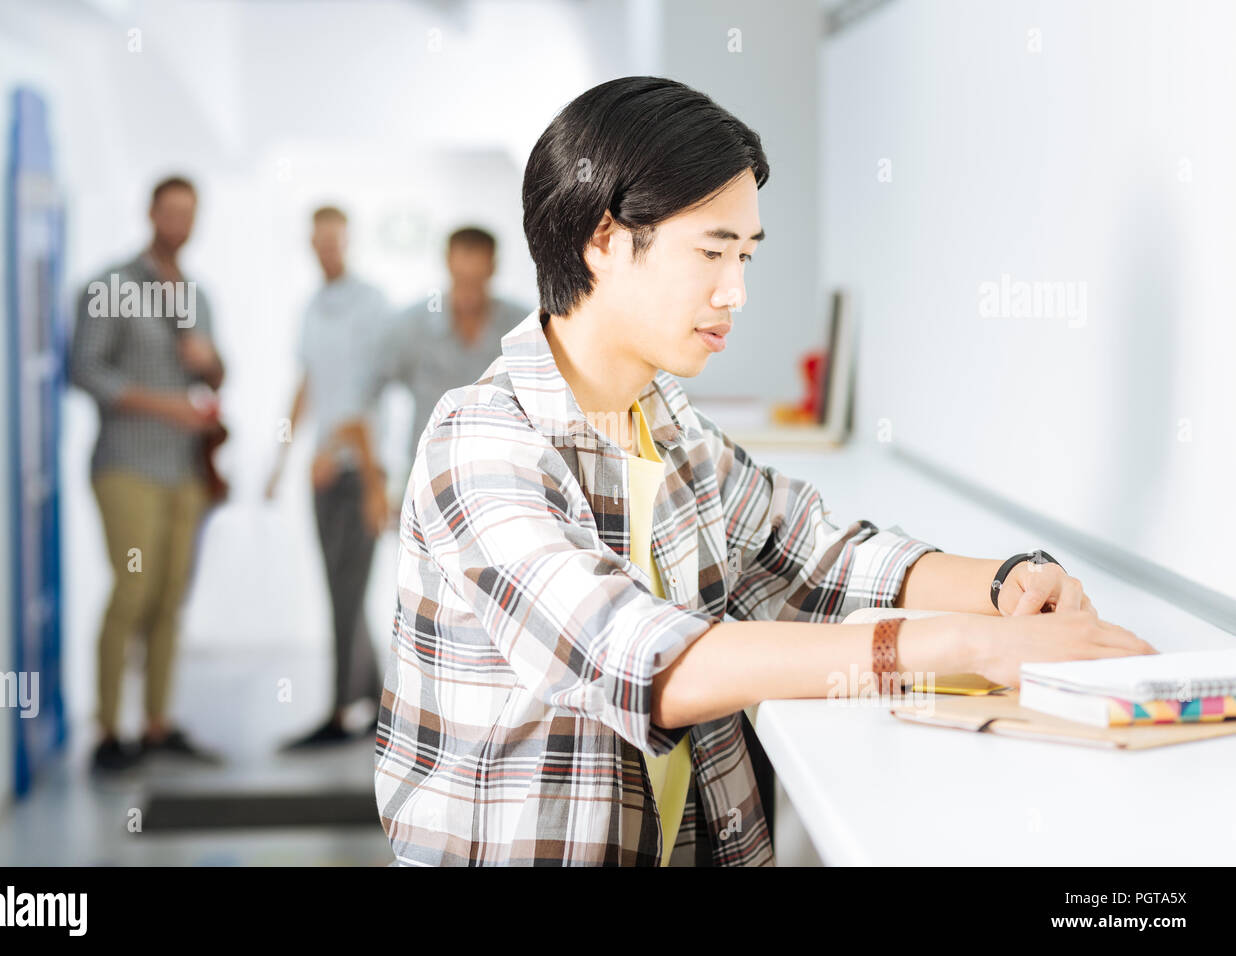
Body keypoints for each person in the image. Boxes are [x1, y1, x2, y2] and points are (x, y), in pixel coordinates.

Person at [372, 76, 1158, 867]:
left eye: (744, 255)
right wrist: (965, 646)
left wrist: (1007, 583)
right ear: (604, 240)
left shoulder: (671, 428)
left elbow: (821, 552)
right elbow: (647, 664)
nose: (736, 290)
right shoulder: (480, 442)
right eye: (712, 251)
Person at [71, 175, 226, 772]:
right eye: (171, 212)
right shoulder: (110, 285)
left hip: (184, 469)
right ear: (150, 214)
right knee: (131, 590)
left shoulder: (198, 295)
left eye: (190, 213)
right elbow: (86, 369)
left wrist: (210, 365)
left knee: (168, 596)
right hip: (127, 464)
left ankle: (157, 725)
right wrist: (162, 403)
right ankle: (109, 731)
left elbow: (216, 376)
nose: (180, 223)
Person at [267, 206, 393, 748]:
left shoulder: (373, 306)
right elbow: (308, 383)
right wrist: (281, 459)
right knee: (340, 591)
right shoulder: (312, 308)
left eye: (334, 241)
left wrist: (366, 479)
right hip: (320, 473)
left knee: (349, 591)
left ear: (349, 241)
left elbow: (366, 395)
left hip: (359, 469)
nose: (327, 250)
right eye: (318, 241)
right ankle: (381, 701)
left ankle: (340, 712)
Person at [372, 226, 530, 458]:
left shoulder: (522, 327)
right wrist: (376, 468)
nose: (468, 294)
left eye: (476, 282)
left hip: (502, 468)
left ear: (493, 269)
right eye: (462, 280)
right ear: (447, 264)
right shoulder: (413, 324)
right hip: (429, 469)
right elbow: (372, 389)